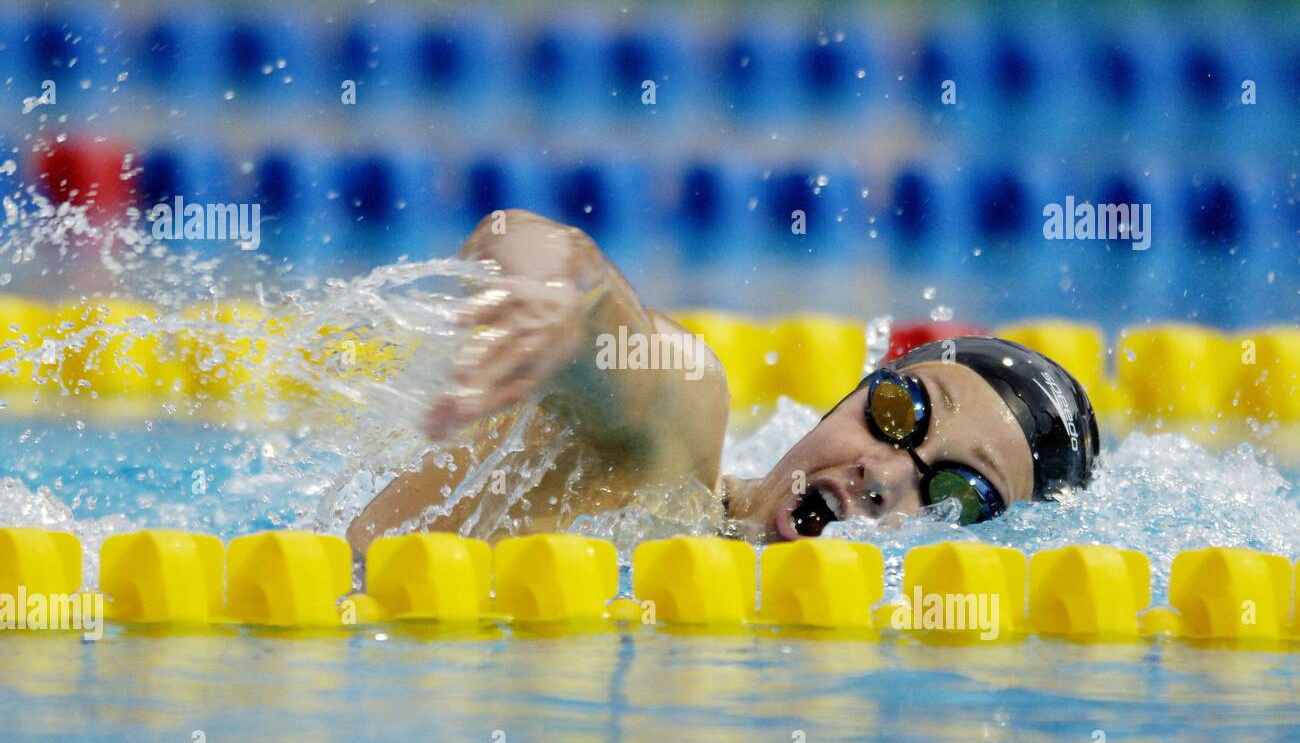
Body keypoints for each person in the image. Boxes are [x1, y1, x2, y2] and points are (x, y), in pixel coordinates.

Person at [346, 210, 1099, 552]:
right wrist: (551, 296)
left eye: (960, 494)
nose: (884, 470)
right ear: (849, 396)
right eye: (902, 412)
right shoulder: (666, 449)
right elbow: (565, 269)